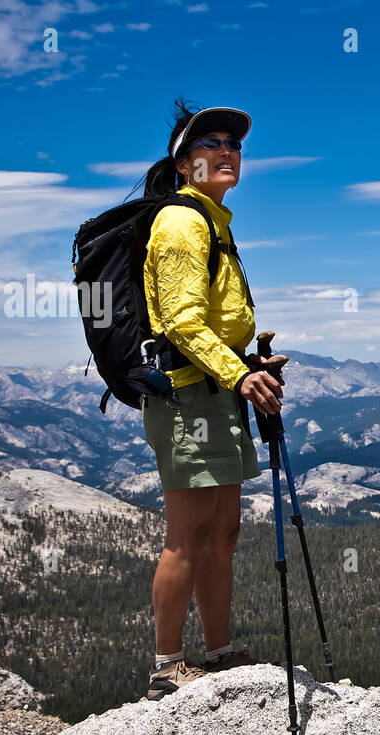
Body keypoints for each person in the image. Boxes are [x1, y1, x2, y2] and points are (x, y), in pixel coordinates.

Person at [137, 99, 284, 701]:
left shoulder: (214, 222)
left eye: (235, 144)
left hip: (217, 393)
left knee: (223, 532)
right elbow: (180, 323)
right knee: (187, 535)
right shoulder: (180, 223)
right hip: (188, 399)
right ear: (184, 162)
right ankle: (167, 665)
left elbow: (213, 327)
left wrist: (249, 364)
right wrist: (239, 375)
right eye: (211, 143)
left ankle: (219, 652)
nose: (227, 152)